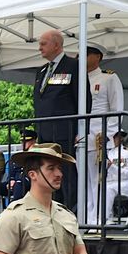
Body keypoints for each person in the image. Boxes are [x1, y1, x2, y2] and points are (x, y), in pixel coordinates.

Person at [33, 29, 89, 212]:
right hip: (45, 132)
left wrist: (81, 130)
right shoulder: (42, 70)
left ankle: (70, 211)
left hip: (65, 130)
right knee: (47, 171)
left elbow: (84, 99)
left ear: (56, 45)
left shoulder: (74, 66)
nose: (39, 47)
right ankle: (51, 209)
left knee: (65, 172)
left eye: (43, 43)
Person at [82, 43, 123, 226]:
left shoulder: (109, 78)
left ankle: (99, 219)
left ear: (97, 57)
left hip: (100, 136)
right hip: (82, 137)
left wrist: (109, 136)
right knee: (84, 181)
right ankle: (86, 219)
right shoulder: (80, 79)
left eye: (86, 54)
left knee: (98, 181)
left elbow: (116, 109)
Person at [103, 131, 128, 220]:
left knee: (108, 188)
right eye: (115, 137)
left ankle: (105, 219)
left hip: (125, 183)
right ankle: (96, 218)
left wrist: (112, 166)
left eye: (119, 137)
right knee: (99, 188)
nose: (117, 139)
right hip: (109, 182)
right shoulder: (107, 153)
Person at [4, 129, 37, 201]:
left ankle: (15, 209)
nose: (23, 143)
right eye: (22, 141)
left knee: (18, 185)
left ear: (34, 141)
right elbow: (12, 171)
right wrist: (11, 180)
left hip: (28, 181)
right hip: (15, 182)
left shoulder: (36, 154)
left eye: (26, 141)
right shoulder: (18, 156)